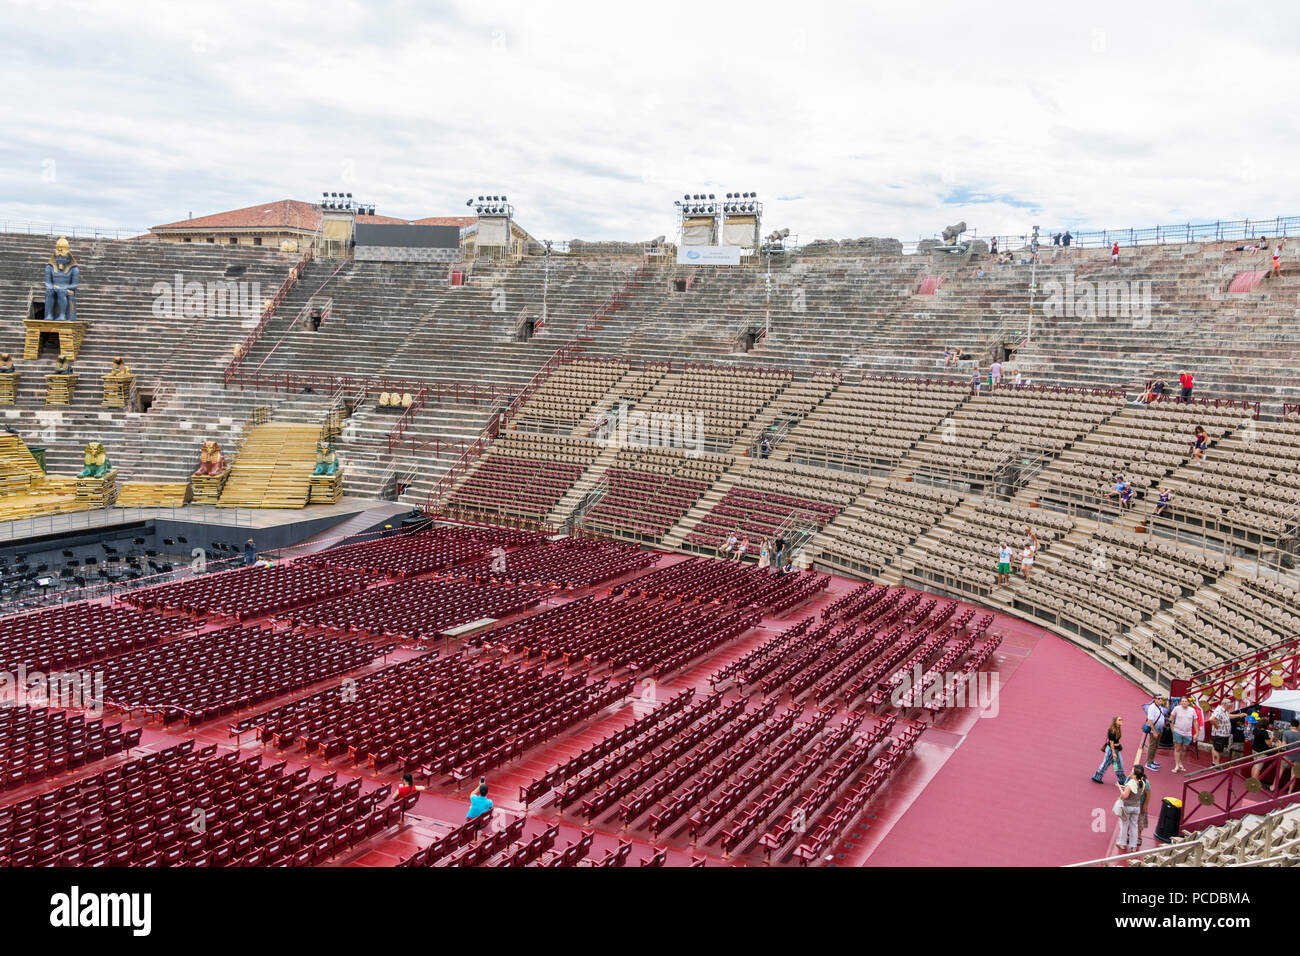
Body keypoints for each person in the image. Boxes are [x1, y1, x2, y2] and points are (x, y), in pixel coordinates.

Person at [1115, 764, 1151, 853]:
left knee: (1124, 825)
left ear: (1135, 774)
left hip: (1127, 806)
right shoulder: (1143, 783)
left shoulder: (1131, 782)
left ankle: (1122, 843)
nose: (1131, 772)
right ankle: (1133, 846)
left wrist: (1119, 787)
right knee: (1134, 826)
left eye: (1132, 771)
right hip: (1136, 807)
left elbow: (1125, 794)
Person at [1092, 716, 1127, 784]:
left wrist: (1118, 745)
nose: (1121, 720)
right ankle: (1097, 777)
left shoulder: (1118, 728)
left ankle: (1121, 778)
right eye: (1119, 720)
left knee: (1116, 764)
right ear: (1115, 721)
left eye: (1121, 719)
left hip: (1115, 749)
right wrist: (1113, 753)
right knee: (1108, 763)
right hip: (1112, 750)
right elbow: (1111, 742)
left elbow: (1116, 740)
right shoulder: (1112, 731)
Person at [1170, 696, 1199, 773]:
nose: (1184, 703)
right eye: (1182, 701)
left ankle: (1180, 763)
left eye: (1185, 701)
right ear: (1180, 702)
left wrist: (1196, 732)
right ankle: (1176, 765)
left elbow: (1195, 722)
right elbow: (1171, 718)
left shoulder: (1192, 710)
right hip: (1177, 731)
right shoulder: (1177, 708)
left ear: (1188, 703)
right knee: (1177, 748)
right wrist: (1172, 728)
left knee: (1184, 749)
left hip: (1188, 733)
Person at [1142, 696, 1167, 771]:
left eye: (1161, 698)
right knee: (1152, 746)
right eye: (1158, 698)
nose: (1160, 700)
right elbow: (1150, 721)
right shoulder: (1152, 708)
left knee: (1156, 746)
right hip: (1154, 730)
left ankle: (1152, 760)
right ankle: (1148, 763)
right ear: (1154, 700)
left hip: (1159, 730)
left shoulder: (1160, 707)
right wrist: (1154, 731)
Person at [1209, 699, 1233, 767]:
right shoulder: (1219, 710)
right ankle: (1217, 765)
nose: (1230, 707)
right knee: (1217, 749)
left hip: (1222, 734)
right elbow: (1211, 719)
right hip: (1219, 734)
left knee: (1215, 747)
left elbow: (1228, 716)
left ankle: (1214, 763)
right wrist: (1216, 726)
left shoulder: (1224, 711)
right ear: (1225, 705)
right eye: (1229, 706)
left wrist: (1239, 715)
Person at [1281, 718, 1300, 793]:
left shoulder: (1286, 733)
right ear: (1297, 726)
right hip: (1298, 757)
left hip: (1287, 755)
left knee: (1280, 770)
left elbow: (1283, 746)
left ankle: (1273, 786)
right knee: (1293, 775)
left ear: (1291, 725)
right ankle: (1289, 791)